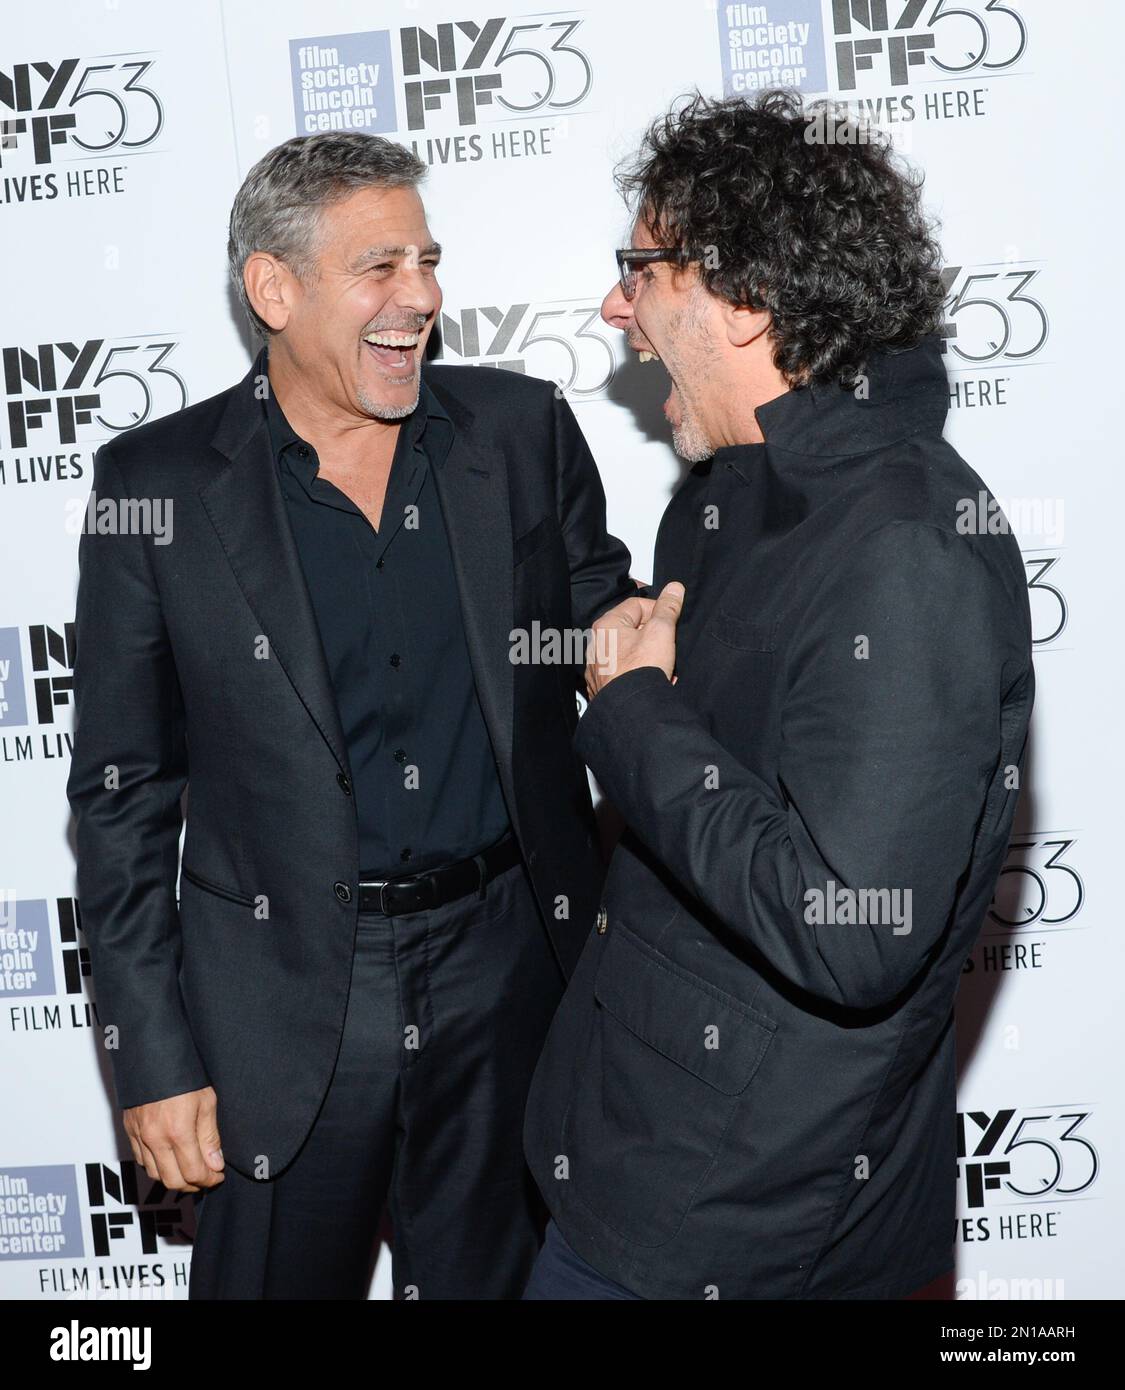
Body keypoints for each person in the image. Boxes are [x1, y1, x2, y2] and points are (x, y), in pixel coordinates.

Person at [65, 130, 633, 1300]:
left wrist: (657, 639)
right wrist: (152, 1058)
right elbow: (121, 796)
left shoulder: (519, 434)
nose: (420, 296)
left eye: (427, 261)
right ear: (273, 289)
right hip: (281, 993)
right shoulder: (156, 489)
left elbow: (598, 622)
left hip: (506, 966)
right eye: (379, 267)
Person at [522, 89, 1034, 1300]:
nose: (615, 307)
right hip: (645, 1164)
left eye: (639, 268)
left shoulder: (909, 545)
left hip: (735, 1226)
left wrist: (634, 711)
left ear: (742, 294)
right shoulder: (737, 490)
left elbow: (852, 927)